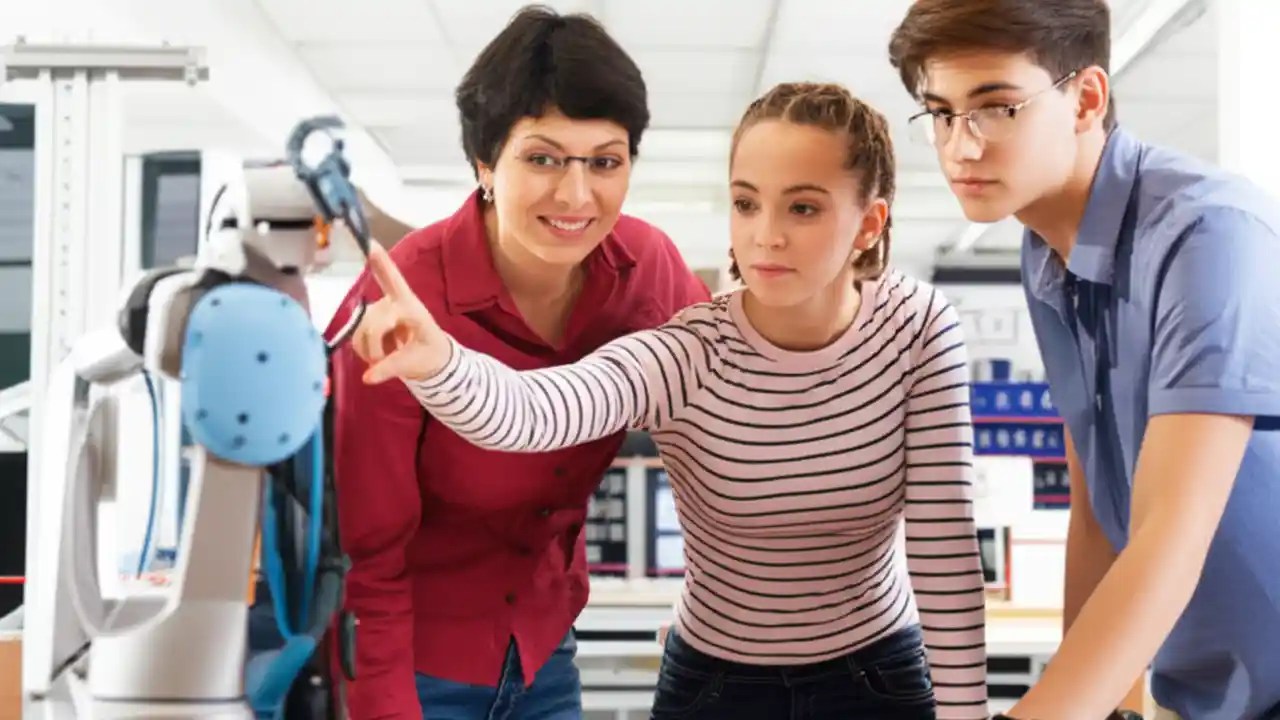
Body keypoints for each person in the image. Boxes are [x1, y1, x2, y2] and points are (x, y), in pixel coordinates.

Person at [351, 81, 991, 720]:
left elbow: (944, 546)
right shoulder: (691, 351)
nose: (765, 236)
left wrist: (964, 715)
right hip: (717, 685)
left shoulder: (918, 325)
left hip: (876, 673)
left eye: (803, 209)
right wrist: (440, 363)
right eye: (746, 204)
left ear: (869, 223)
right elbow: (535, 411)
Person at [888, 1, 1280, 719]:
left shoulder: (1208, 232)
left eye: (995, 108)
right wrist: (1108, 711)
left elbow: (1170, 531)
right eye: (941, 114)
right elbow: (1101, 510)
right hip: (1204, 697)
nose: (961, 148)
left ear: (1086, 98)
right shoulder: (1045, 256)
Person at [324, 6, 711, 719]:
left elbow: (722, 427)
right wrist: (379, 699)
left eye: (605, 161)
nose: (576, 195)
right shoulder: (404, 298)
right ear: (484, 164)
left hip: (543, 651)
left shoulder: (650, 272)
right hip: (412, 661)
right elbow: (363, 542)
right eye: (543, 158)